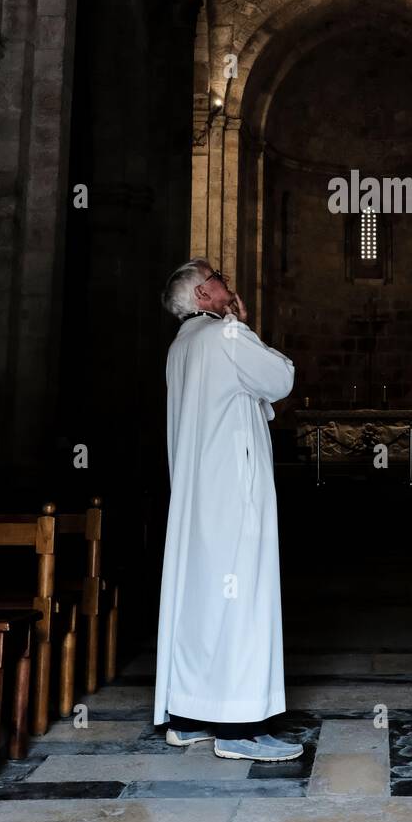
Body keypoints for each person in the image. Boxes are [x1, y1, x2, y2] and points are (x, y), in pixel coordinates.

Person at [154, 258, 301, 762]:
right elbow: (280, 378)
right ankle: (239, 729)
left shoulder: (181, 347)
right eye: (217, 279)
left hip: (196, 500)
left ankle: (189, 716)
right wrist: (242, 323)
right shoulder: (226, 336)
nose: (227, 285)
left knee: (201, 602)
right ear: (201, 296)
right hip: (234, 496)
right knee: (243, 603)